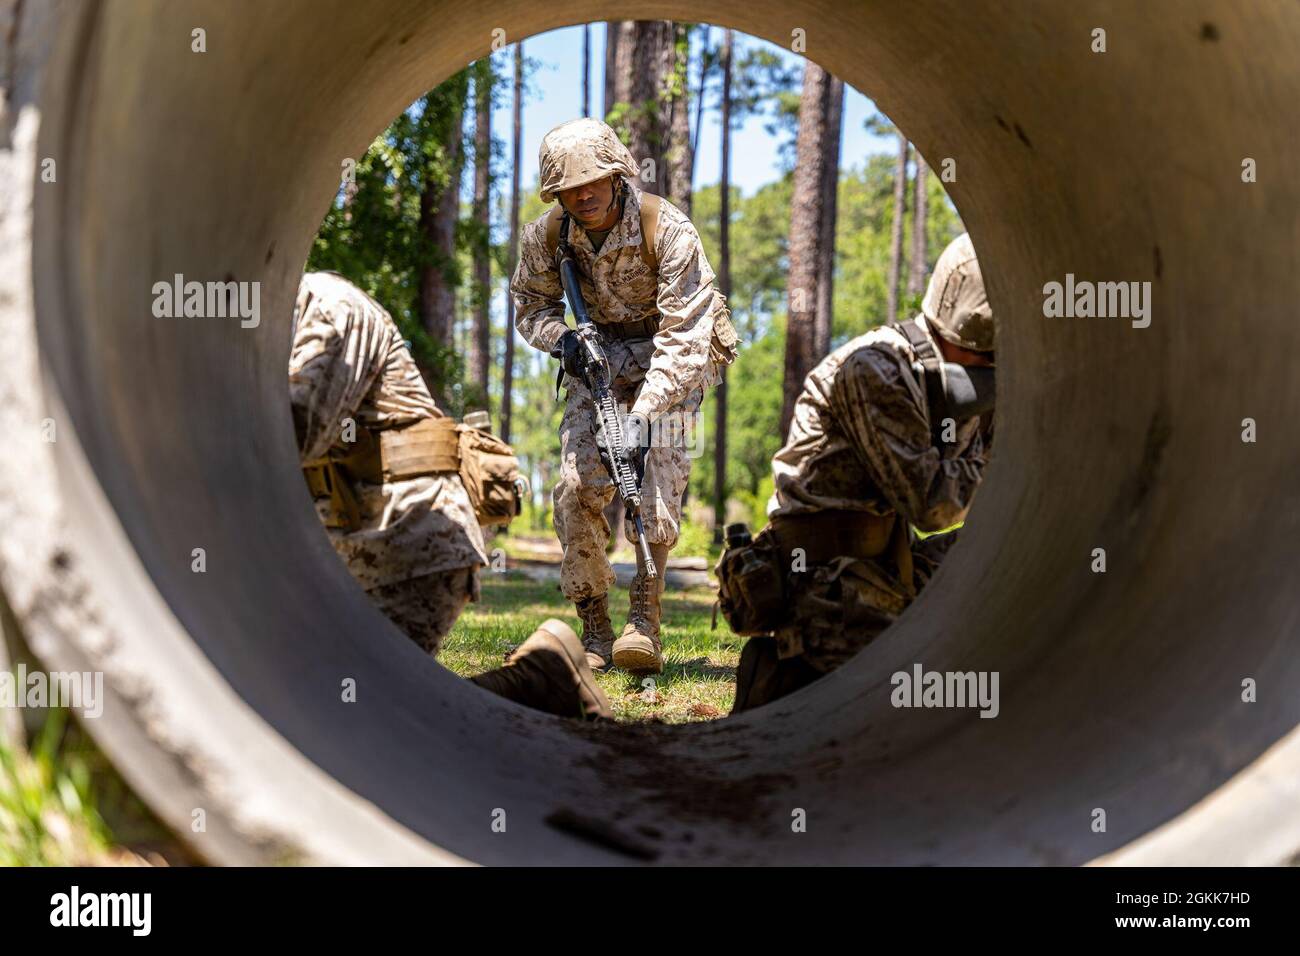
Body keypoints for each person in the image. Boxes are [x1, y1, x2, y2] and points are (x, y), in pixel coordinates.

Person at [289, 271, 611, 719]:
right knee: (329, 701)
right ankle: (544, 675)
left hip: (409, 540)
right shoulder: (270, 332)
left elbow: (293, 430)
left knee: (362, 713)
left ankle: (539, 678)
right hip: (352, 549)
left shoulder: (326, 305)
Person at [720, 233, 995, 711]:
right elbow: (933, 505)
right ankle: (784, 676)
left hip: (885, 565)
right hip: (825, 586)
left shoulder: (956, 381)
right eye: (993, 358)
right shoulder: (877, 369)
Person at [510, 118, 738, 675]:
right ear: (556, 192)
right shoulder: (545, 237)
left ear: (617, 176)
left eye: (593, 181)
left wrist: (643, 417)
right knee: (576, 483)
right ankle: (594, 623)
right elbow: (529, 308)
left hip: (674, 358)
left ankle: (645, 619)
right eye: (569, 187)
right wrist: (562, 340)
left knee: (658, 478)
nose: (583, 194)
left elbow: (685, 335)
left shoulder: (669, 229)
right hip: (600, 360)